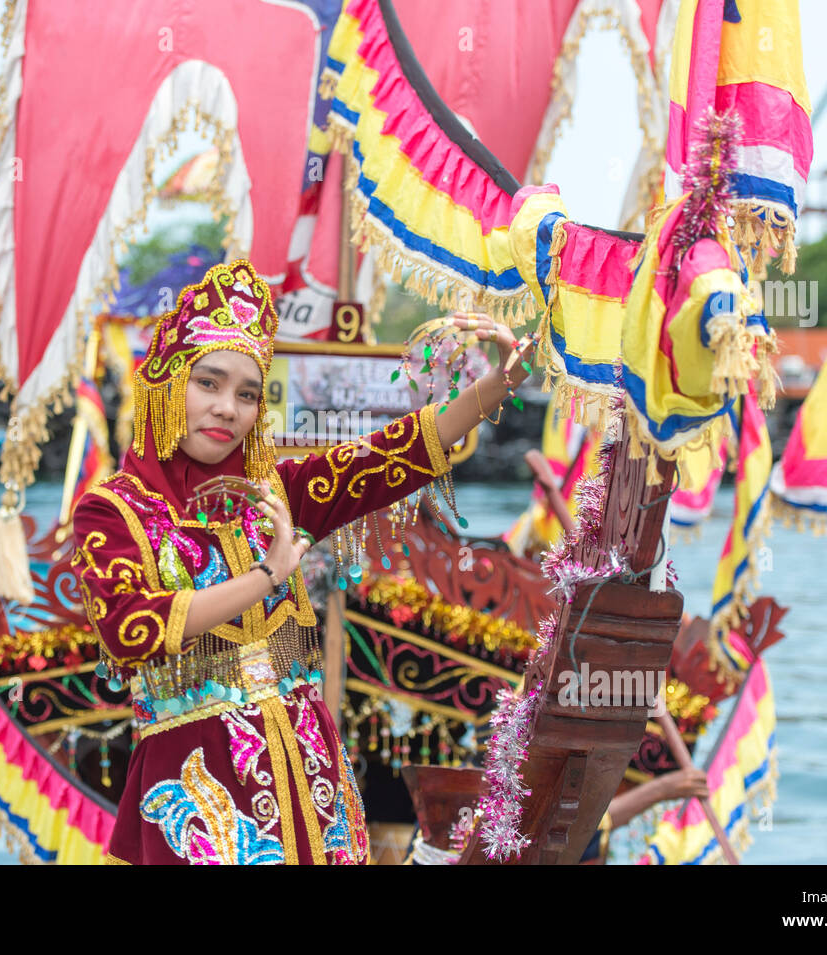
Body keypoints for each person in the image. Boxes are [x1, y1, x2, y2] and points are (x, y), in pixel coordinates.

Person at [70, 258, 533, 864]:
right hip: (201, 790)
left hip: (312, 784)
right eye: (207, 383)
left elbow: (392, 456)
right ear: (165, 382)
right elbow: (136, 631)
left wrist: (501, 381)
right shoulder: (114, 511)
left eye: (246, 394)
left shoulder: (275, 495)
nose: (227, 409)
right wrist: (266, 577)